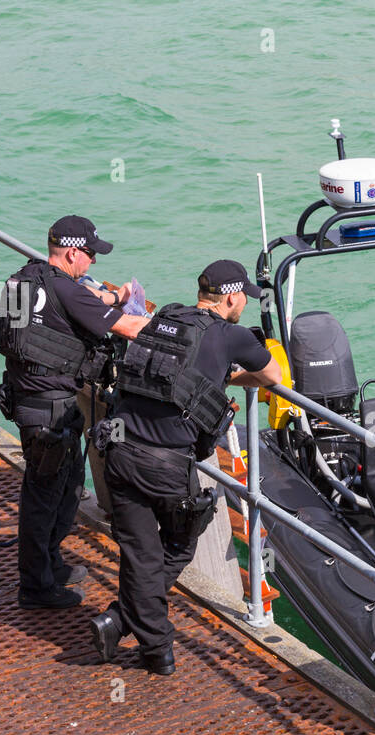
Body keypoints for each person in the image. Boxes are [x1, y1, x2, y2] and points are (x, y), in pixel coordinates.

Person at [90, 259, 281, 675]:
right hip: (166, 463)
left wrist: (213, 376)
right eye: (242, 298)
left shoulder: (165, 316)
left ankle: (136, 632)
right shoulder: (232, 335)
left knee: (140, 555)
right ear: (231, 298)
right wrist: (228, 378)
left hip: (118, 449)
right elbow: (273, 376)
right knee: (180, 543)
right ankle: (144, 638)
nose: (243, 305)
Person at [0, 215, 151, 610]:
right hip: (49, 407)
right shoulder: (66, 289)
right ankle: (35, 587)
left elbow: (15, 336)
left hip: (27, 397)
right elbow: (129, 328)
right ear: (71, 252)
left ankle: (51, 562)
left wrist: (113, 297)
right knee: (43, 495)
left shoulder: (24, 280)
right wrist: (177, 332)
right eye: (90, 255)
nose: (93, 264)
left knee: (67, 485)